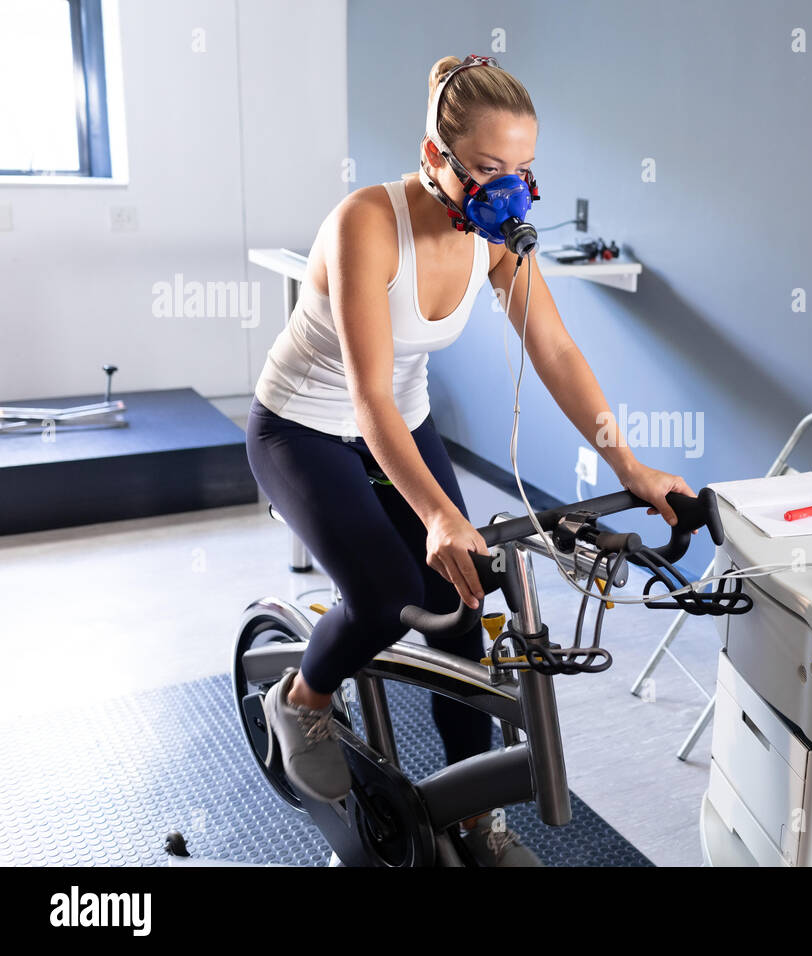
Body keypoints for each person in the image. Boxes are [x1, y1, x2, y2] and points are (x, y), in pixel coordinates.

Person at [244, 54, 693, 866]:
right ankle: (302, 698)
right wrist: (440, 515)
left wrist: (631, 466)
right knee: (383, 597)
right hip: (303, 427)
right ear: (435, 158)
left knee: (459, 610)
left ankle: (473, 813)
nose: (509, 190)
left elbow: (553, 346)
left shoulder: (492, 237)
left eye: (524, 171)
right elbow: (366, 397)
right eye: (489, 170)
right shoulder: (365, 224)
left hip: (396, 425)